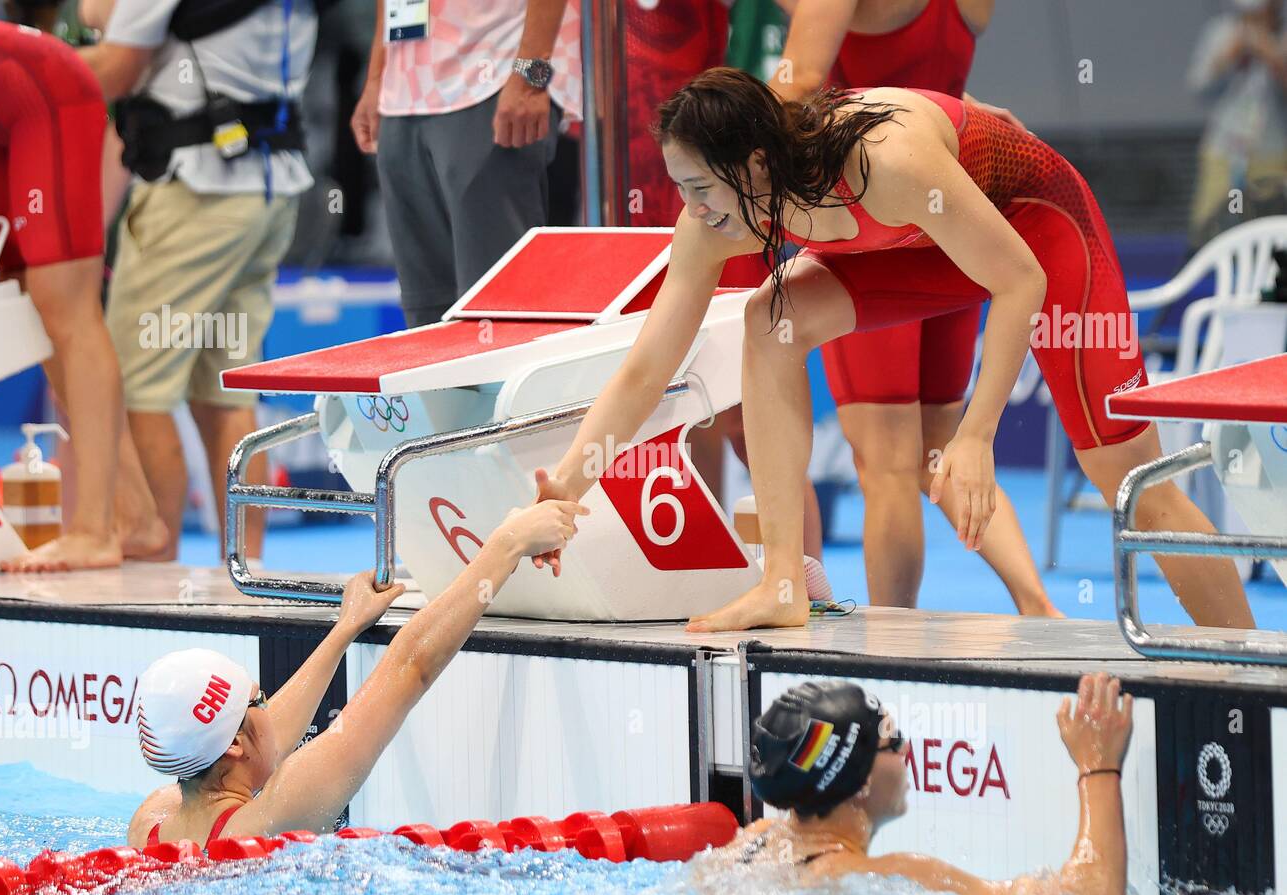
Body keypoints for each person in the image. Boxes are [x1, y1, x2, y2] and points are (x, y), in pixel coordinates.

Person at [533, 69, 1256, 634]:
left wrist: (975, 436)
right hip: (920, 245)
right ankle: (784, 581)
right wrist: (568, 481)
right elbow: (647, 365)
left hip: (1036, 230)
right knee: (770, 321)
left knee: (1131, 483)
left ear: (755, 165)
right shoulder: (715, 218)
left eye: (697, 187)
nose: (691, 209)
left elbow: (1019, 279)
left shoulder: (884, 160)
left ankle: (1252, 666)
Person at [764, 0, 1055, 615]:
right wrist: (962, 106)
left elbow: (797, 89)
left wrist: (719, 144)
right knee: (939, 445)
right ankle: (1037, 604)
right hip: (956, 217)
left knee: (887, 464)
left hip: (875, 220)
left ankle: (893, 641)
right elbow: (918, 87)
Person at [127, 496, 586, 848]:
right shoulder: (275, 815)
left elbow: (254, 740)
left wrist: (345, 628)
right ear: (232, 745)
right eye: (260, 698)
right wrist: (508, 543)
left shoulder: (150, 821)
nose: (272, 706)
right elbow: (411, 667)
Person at [78, 0, 319, 565]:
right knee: (223, 393)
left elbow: (114, 63)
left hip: (195, 196)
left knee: (133, 387)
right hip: (267, 189)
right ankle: (246, 566)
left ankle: (149, 555)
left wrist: (22, 64)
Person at [704, 672, 1132, 895]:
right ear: (860, 781)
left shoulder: (752, 844)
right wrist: (1098, 764)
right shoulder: (892, 876)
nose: (908, 749)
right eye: (894, 740)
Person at [0, 16, 168, 572]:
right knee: (25, 302)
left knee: (64, 303)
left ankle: (94, 530)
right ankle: (137, 517)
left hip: (43, 91)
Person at [351, 0, 582, 329]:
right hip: (404, 91)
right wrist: (377, 77)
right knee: (426, 311)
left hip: (494, 76)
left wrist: (532, 75)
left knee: (498, 309)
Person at [1188, 0, 1287, 250]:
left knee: (1273, 229)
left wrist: (1272, 56)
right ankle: (1203, 280)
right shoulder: (1221, 31)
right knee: (1206, 225)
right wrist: (1226, 58)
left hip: (1272, 153)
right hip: (1223, 150)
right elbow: (1198, 87)